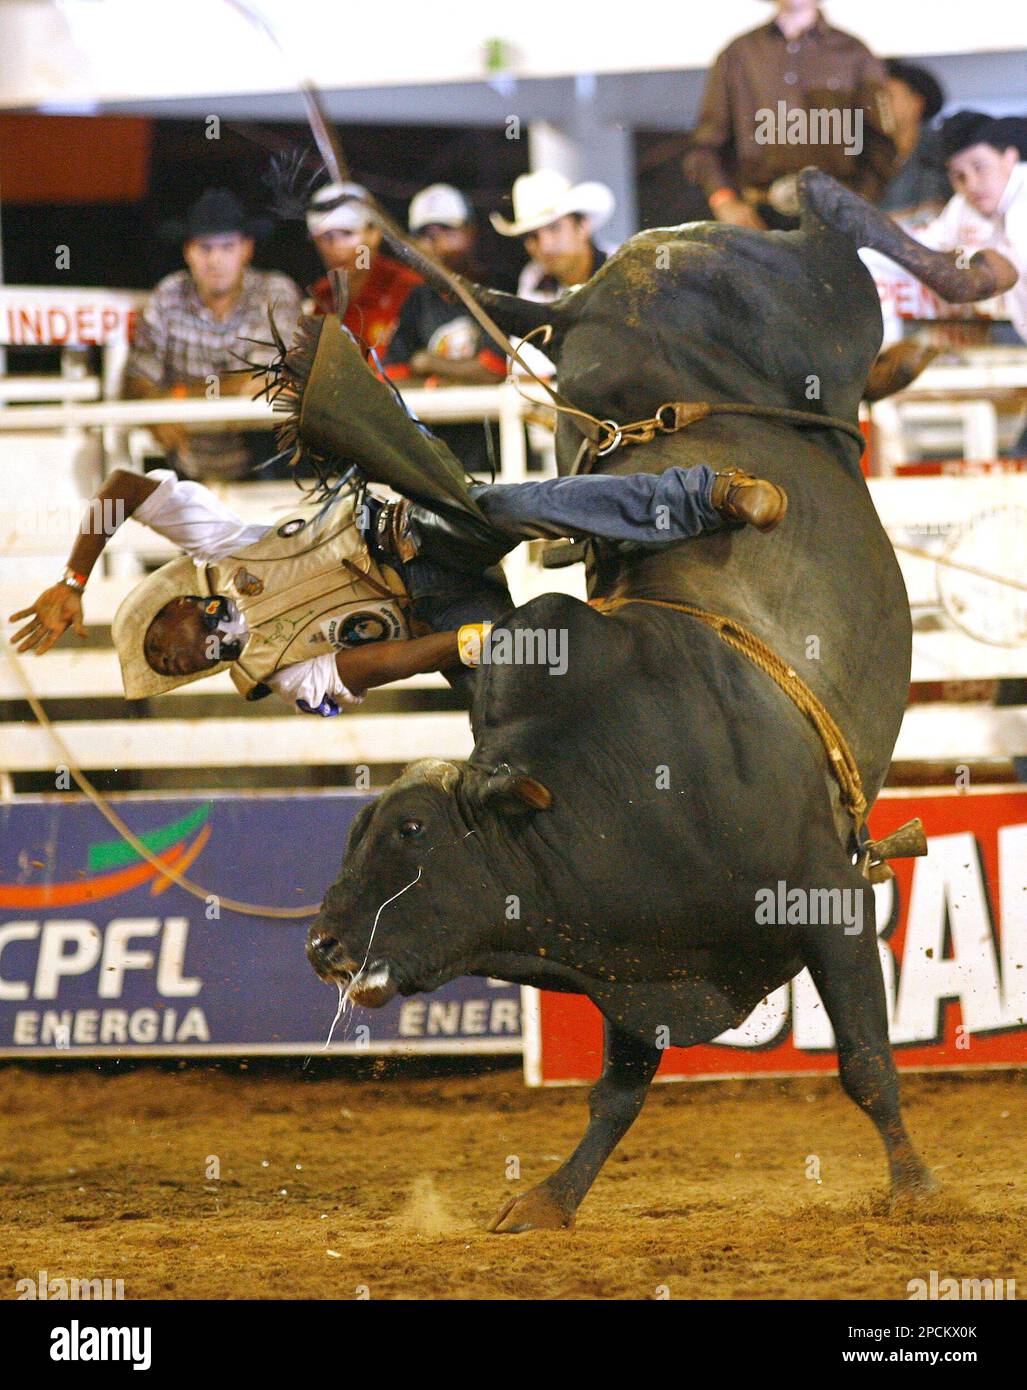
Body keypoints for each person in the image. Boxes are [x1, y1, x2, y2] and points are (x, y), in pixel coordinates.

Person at [10, 319, 789, 713]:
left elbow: (120, 482)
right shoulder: (277, 680)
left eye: (169, 651)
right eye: (179, 672)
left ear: (173, 608)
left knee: (512, 506)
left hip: (412, 529)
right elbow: (368, 667)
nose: (183, 662)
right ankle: (657, 707)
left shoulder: (216, 546)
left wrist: (75, 577)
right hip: (436, 614)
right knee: (507, 704)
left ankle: (704, 494)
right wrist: (461, 643)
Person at [124, 188, 302, 482]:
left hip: (264, 460)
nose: (215, 260)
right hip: (184, 461)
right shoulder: (168, 296)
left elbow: (262, 381)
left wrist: (174, 399)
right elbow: (137, 377)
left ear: (246, 249)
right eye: (205, 248)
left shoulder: (274, 293)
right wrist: (155, 411)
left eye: (227, 247)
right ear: (188, 252)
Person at [683, 0, 897, 230]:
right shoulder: (739, 53)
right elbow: (705, 146)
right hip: (757, 219)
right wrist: (725, 202)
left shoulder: (855, 53)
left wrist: (859, 205)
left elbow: (881, 144)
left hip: (835, 219)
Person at [385, 184, 507, 475]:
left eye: (446, 230)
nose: (436, 243)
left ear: (471, 232)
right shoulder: (417, 300)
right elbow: (391, 376)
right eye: (425, 235)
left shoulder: (496, 291)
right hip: (436, 454)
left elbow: (494, 370)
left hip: (496, 450)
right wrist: (440, 381)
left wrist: (427, 363)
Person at [916, 113, 1027, 343]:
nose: (971, 184)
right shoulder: (964, 205)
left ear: (1010, 157)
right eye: (958, 176)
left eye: (980, 167)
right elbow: (926, 243)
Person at [305, 181, 421, 354]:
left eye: (346, 233)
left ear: (374, 234)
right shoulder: (323, 296)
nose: (335, 246)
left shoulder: (408, 287)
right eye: (325, 237)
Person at [490, 170, 614, 302]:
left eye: (554, 228)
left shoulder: (625, 269)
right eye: (531, 236)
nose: (545, 246)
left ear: (582, 226)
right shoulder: (534, 278)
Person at [879, 60, 950, 224]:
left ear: (917, 103)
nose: (876, 105)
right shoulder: (862, 156)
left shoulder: (946, 153)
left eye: (886, 97)